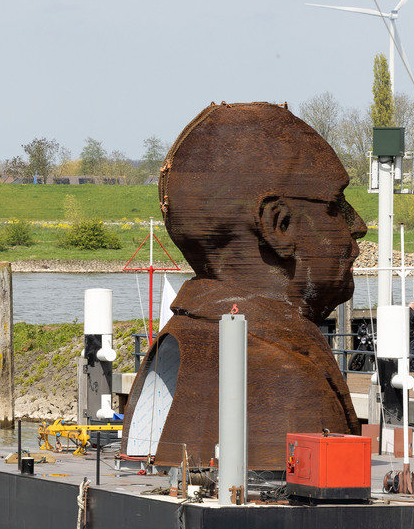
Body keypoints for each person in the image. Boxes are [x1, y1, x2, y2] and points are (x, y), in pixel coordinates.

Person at [122, 101, 365, 470]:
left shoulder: (186, 334)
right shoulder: (288, 380)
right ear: (278, 226)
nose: (357, 224)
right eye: (336, 206)